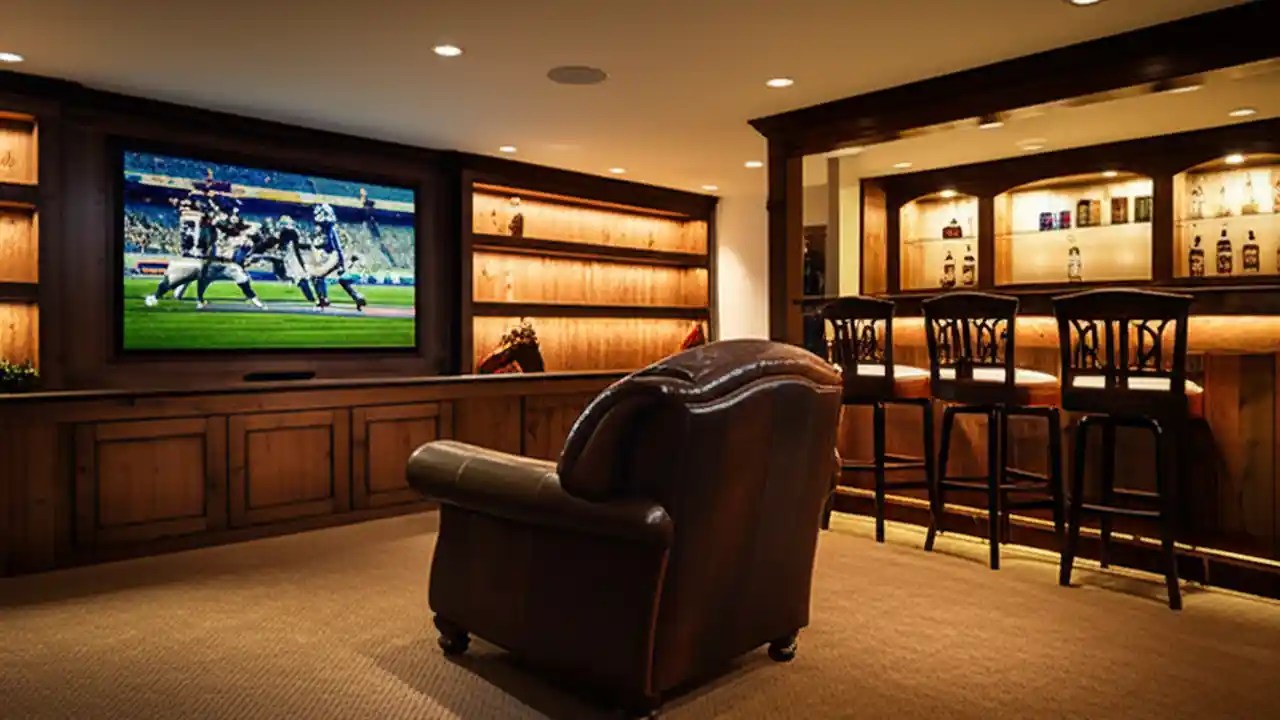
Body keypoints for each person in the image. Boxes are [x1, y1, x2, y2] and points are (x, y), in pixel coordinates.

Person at [308, 202, 367, 311]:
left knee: (317, 277)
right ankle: (357, 297)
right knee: (342, 281)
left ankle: (323, 299)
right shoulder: (330, 229)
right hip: (336, 258)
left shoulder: (328, 229)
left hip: (334, 258)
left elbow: (330, 246)